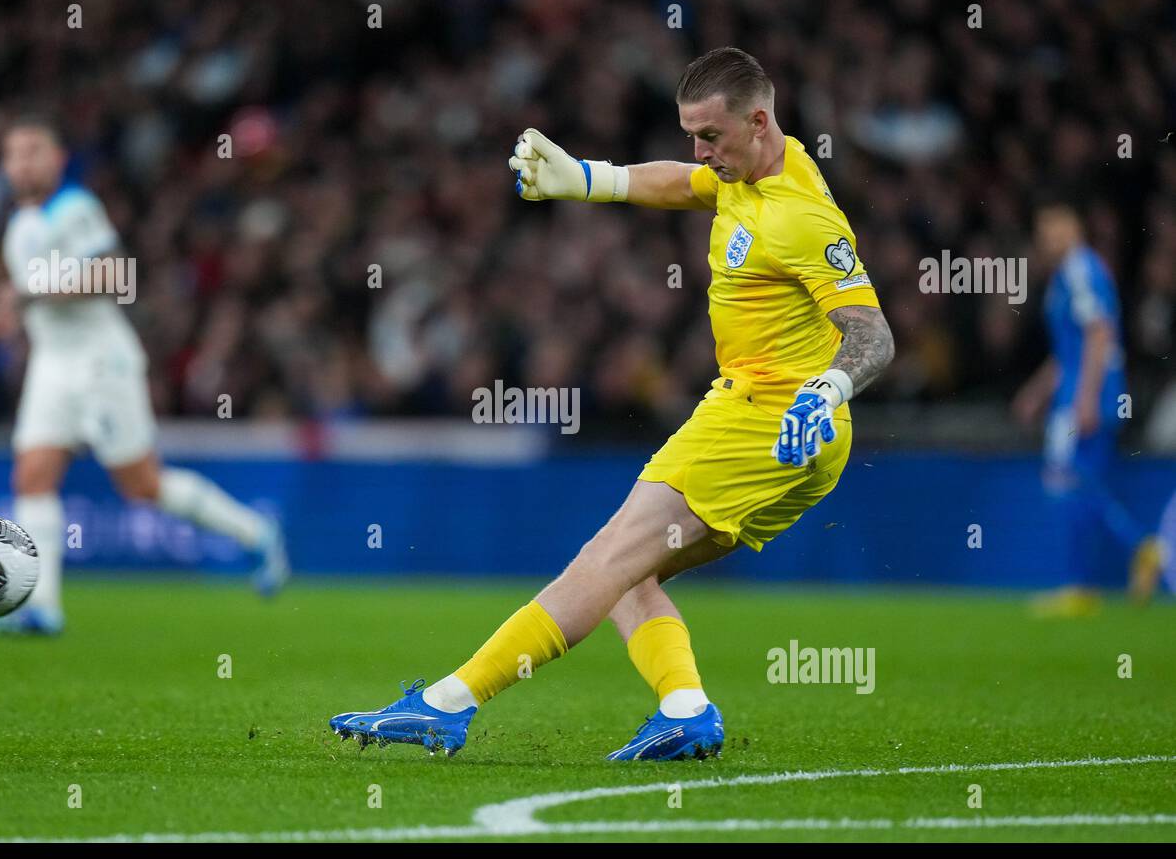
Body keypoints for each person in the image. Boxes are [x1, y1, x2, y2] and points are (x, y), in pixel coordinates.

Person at [330, 48, 895, 759]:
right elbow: (685, 185)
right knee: (632, 573)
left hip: (766, 417)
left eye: (710, 136)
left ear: (757, 121)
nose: (699, 151)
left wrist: (827, 386)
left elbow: (874, 334)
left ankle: (448, 702)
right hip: (788, 431)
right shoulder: (750, 170)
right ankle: (686, 709)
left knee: (600, 561)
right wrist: (588, 179)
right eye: (691, 133)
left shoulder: (804, 218)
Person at [0, 115, 288, 635]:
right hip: (52, 363)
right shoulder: (18, 226)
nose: (23, 162)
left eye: (35, 150)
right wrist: (6, 310)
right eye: (13, 153)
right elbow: (35, 293)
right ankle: (42, 606)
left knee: (142, 484)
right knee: (32, 473)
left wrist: (27, 295)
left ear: (58, 159)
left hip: (101, 360)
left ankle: (255, 532)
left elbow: (113, 273)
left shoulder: (74, 209)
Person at [1013, 201, 1165, 616]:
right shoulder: (1067, 275)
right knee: (1078, 485)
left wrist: (1084, 399)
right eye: (1045, 232)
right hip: (1078, 393)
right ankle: (1115, 564)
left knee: (1070, 484)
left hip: (1087, 397)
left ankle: (1109, 566)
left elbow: (1100, 334)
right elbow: (1069, 350)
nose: (1051, 238)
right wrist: (1036, 393)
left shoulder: (1080, 270)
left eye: (1058, 228)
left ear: (1075, 228)